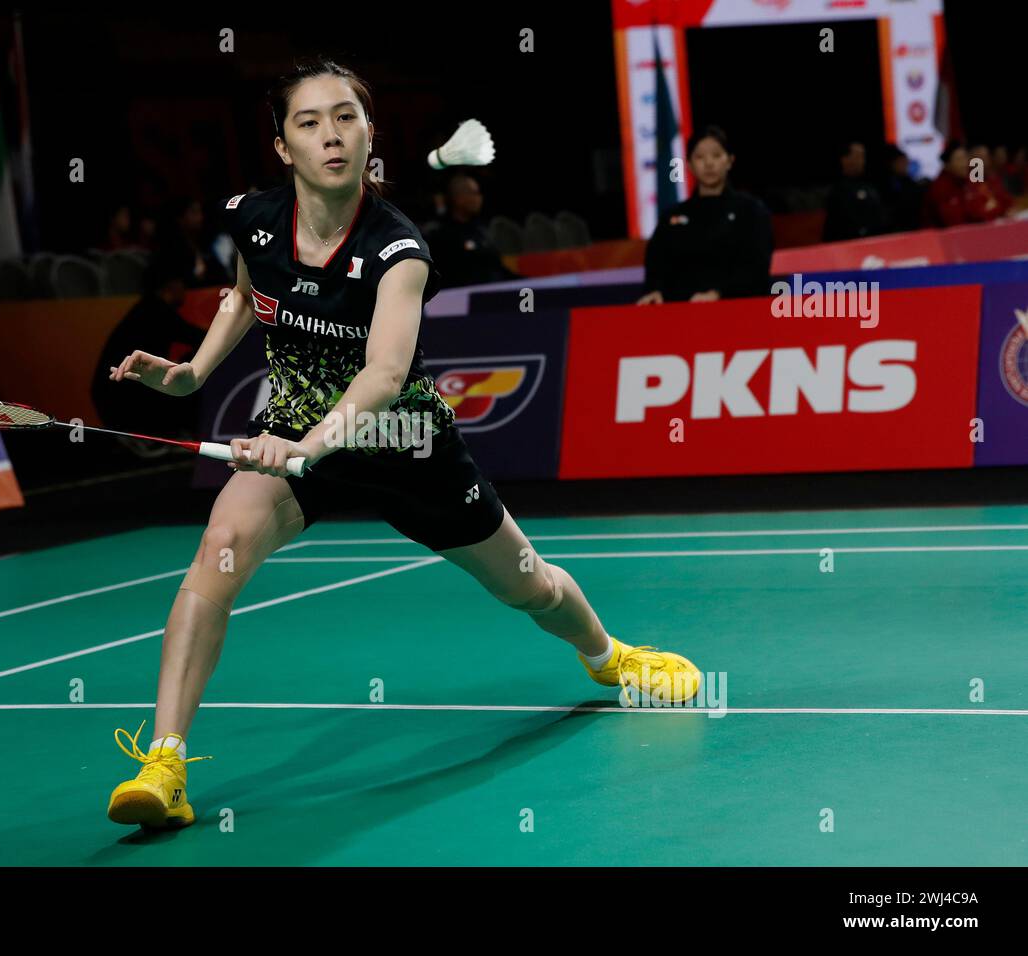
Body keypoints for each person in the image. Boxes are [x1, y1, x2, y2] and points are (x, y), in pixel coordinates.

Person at [101, 57, 703, 830]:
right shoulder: (253, 217)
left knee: (530, 587)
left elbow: (385, 376)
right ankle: (166, 762)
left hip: (403, 442)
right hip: (300, 434)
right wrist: (191, 374)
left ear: (368, 131)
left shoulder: (398, 249)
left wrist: (308, 447)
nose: (332, 136)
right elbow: (249, 295)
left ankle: (609, 657)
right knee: (218, 551)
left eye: (346, 117)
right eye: (309, 122)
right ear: (282, 145)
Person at [638, 125, 773, 305]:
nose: (709, 163)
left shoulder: (751, 211)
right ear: (689, 165)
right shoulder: (672, 217)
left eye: (716, 155)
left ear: (730, 161)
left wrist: (720, 294)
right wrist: (654, 290)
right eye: (700, 157)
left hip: (737, 311)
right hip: (679, 314)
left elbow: (756, 268)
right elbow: (656, 263)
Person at [91, 247, 205, 455]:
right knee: (192, 367)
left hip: (117, 395)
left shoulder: (149, 308)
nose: (185, 290)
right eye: (182, 283)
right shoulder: (156, 311)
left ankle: (159, 433)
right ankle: (144, 433)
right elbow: (200, 339)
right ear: (170, 284)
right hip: (118, 397)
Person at [425, 172, 517, 287]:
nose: (479, 198)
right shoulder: (441, 236)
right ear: (459, 198)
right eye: (475, 193)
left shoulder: (481, 231)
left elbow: (497, 268)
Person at [822, 141, 886, 241]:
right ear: (844, 159)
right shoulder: (836, 191)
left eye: (863, 157)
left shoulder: (869, 187)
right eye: (857, 156)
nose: (862, 161)